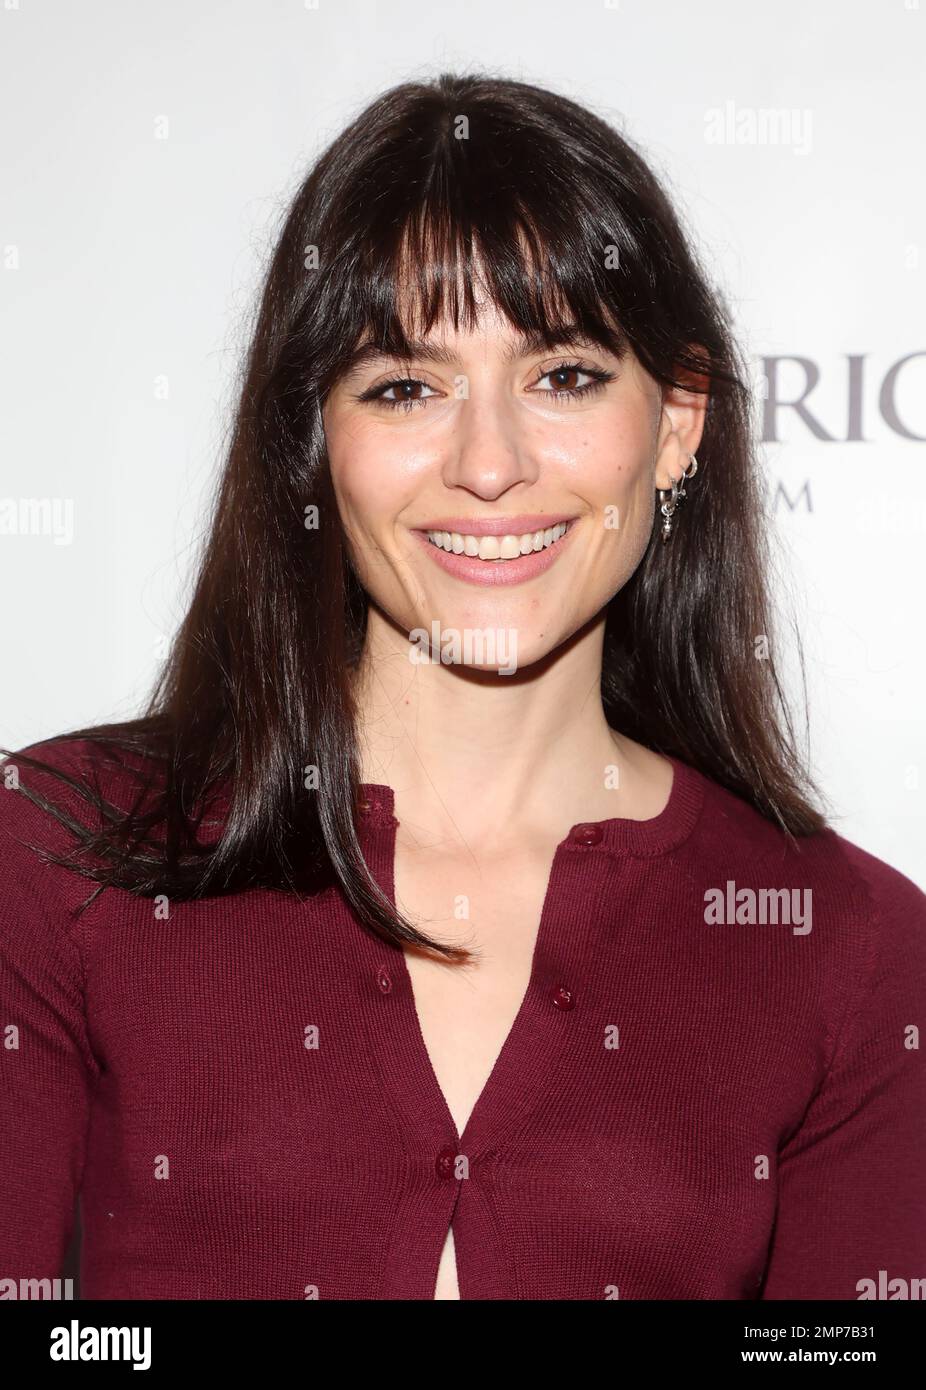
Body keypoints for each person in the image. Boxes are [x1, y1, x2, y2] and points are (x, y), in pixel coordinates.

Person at [1, 73, 923, 1302]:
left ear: (676, 422)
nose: (489, 464)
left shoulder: (847, 947)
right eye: (405, 386)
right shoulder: (58, 854)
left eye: (564, 375)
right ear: (312, 439)